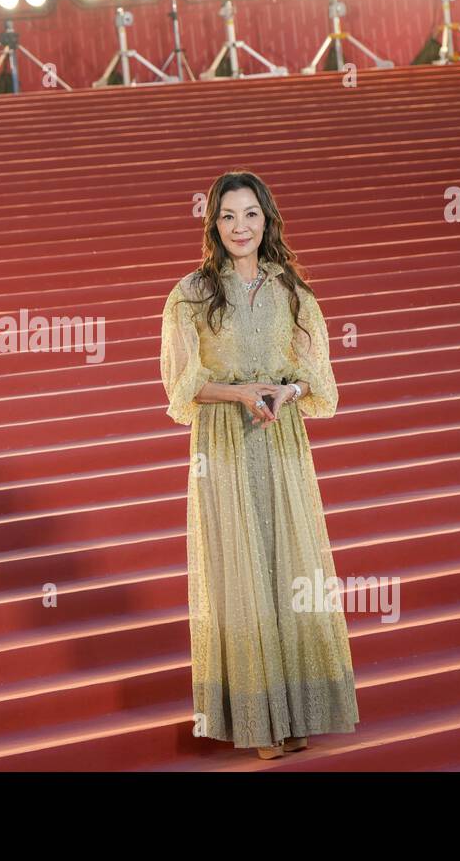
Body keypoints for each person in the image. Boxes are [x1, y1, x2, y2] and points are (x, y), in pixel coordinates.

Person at [158, 169, 359, 760]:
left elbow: (316, 378)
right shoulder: (190, 294)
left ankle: (296, 707)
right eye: (227, 216)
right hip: (223, 442)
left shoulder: (291, 289)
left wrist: (282, 393)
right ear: (213, 225)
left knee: (287, 562)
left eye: (250, 214)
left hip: (281, 438)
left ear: (266, 220)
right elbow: (181, 384)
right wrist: (243, 393)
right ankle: (257, 719)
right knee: (240, 573)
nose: (240, 227)